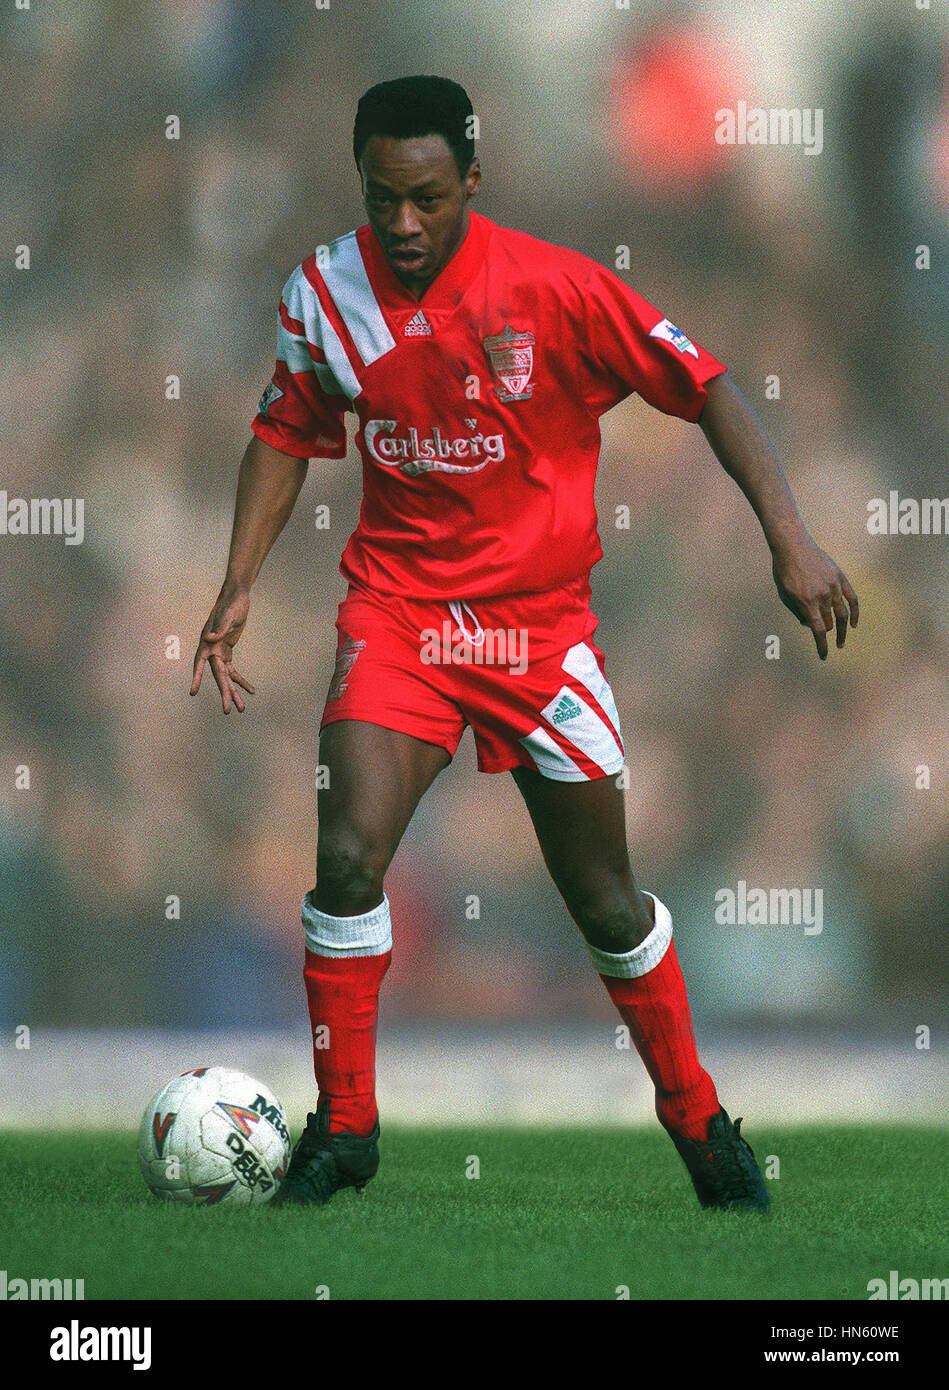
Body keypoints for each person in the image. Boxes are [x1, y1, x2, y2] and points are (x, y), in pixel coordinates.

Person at [191, 76, 858, 1213]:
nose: (403, 222)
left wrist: (788, 539)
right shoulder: (323, 291)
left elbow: (708, 388)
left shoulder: (555, 289)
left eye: (428, 198)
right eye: (382, 197)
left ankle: (697, 1119)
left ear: (471, 183)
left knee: (604, 900)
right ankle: (345, 1123)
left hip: (539, 637)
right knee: (347, 851)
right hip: (398, 616)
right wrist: (239, 581)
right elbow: (284, 428)